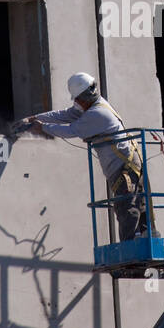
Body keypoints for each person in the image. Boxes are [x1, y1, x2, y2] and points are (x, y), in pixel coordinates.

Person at [13, 72, 147, 241]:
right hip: (125, 165)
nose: (75, 102)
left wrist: (42, 128)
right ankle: (143, 242)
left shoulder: (98, 114)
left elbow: (71, 130)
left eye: (76, 99)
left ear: (84, 97)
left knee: (128, 209)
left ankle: (132, 253)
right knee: (134, 207)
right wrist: (35, 118)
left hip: (124, 168)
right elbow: (65, 115)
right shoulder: (93, 104)